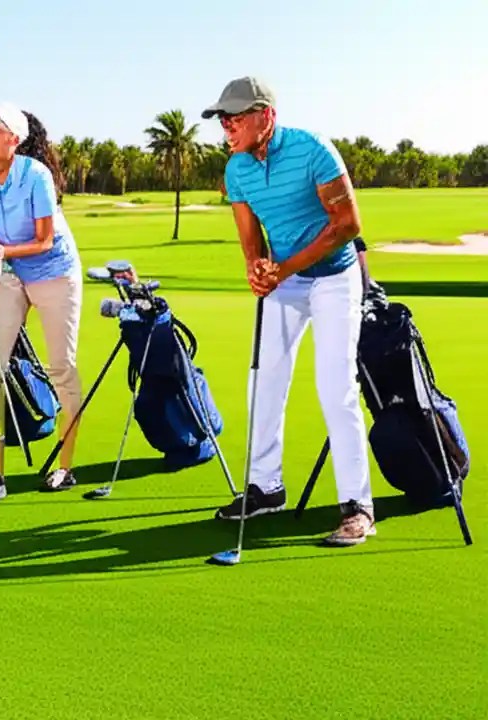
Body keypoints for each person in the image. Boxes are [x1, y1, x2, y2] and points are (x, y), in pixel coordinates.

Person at [203, 76, 375, 546]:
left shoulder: (313, 149)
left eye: (236, 118)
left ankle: (357, 507)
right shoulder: (236, 169)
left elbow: (348, 225)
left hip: (335, 279)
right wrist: (256, 269)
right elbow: (249, 230)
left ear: (267, 116)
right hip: (284, 281)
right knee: (264, 380)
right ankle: (265, 488)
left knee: (336, 387)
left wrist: (283, 268)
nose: (228, 128)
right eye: (224, 121)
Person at [0, 104, 85, 500]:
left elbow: (45, 240)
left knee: (60, 366)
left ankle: (65, 466)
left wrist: (2, 251)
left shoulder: (35, 174)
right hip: (12, 272)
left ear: (14, 140)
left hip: (54, 270)